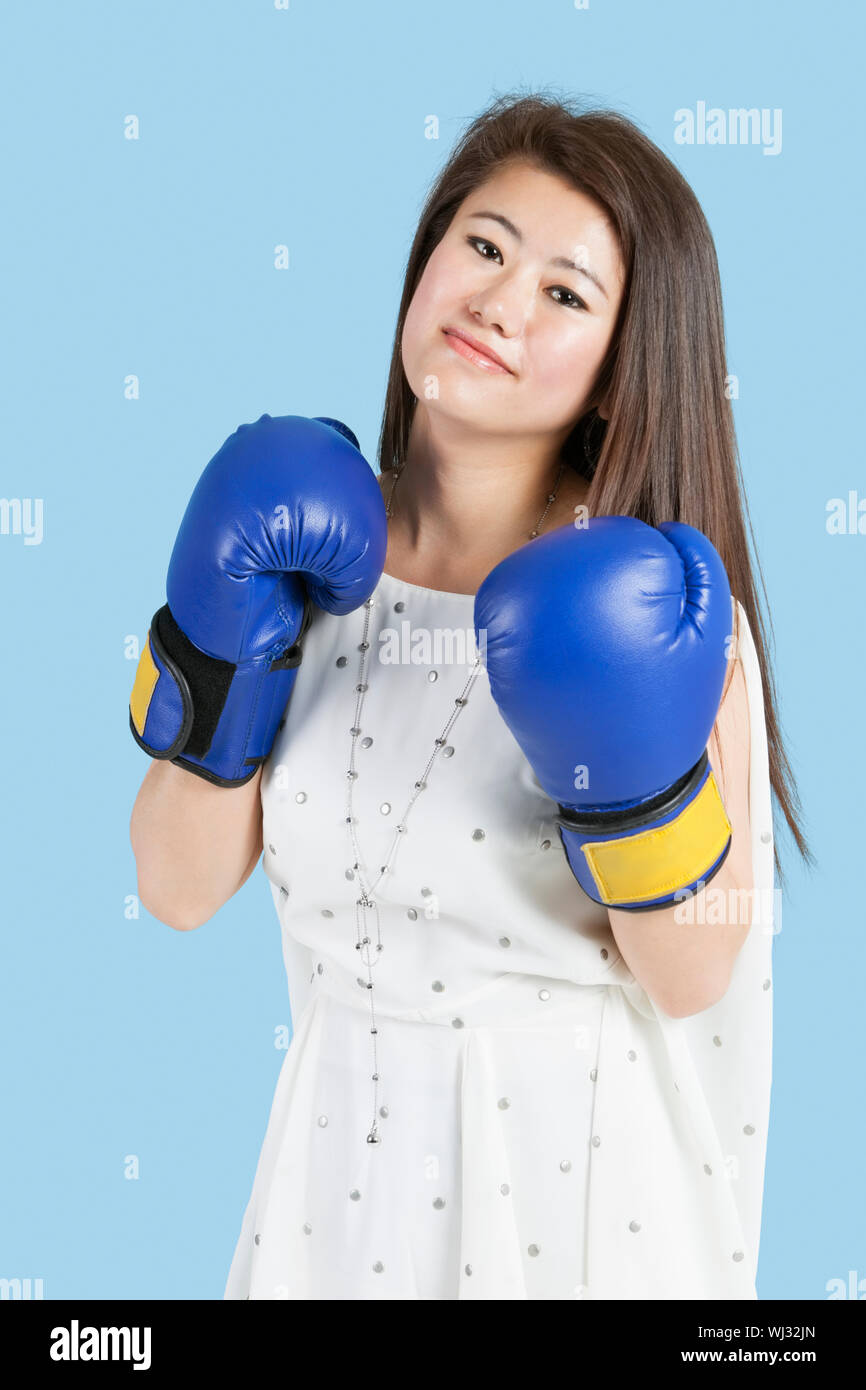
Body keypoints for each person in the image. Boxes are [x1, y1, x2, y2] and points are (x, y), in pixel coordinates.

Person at [129, 91, 811, 1300]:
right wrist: (219, 644)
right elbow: (176, 893)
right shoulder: (301, 555)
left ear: (616, 372)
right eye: (484, 247)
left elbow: (695, 977)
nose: (499, 301)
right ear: (426, 260)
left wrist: (628, 754)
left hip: (578, 1207)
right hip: (329, 1193)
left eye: (564, 292)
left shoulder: (656, 615)